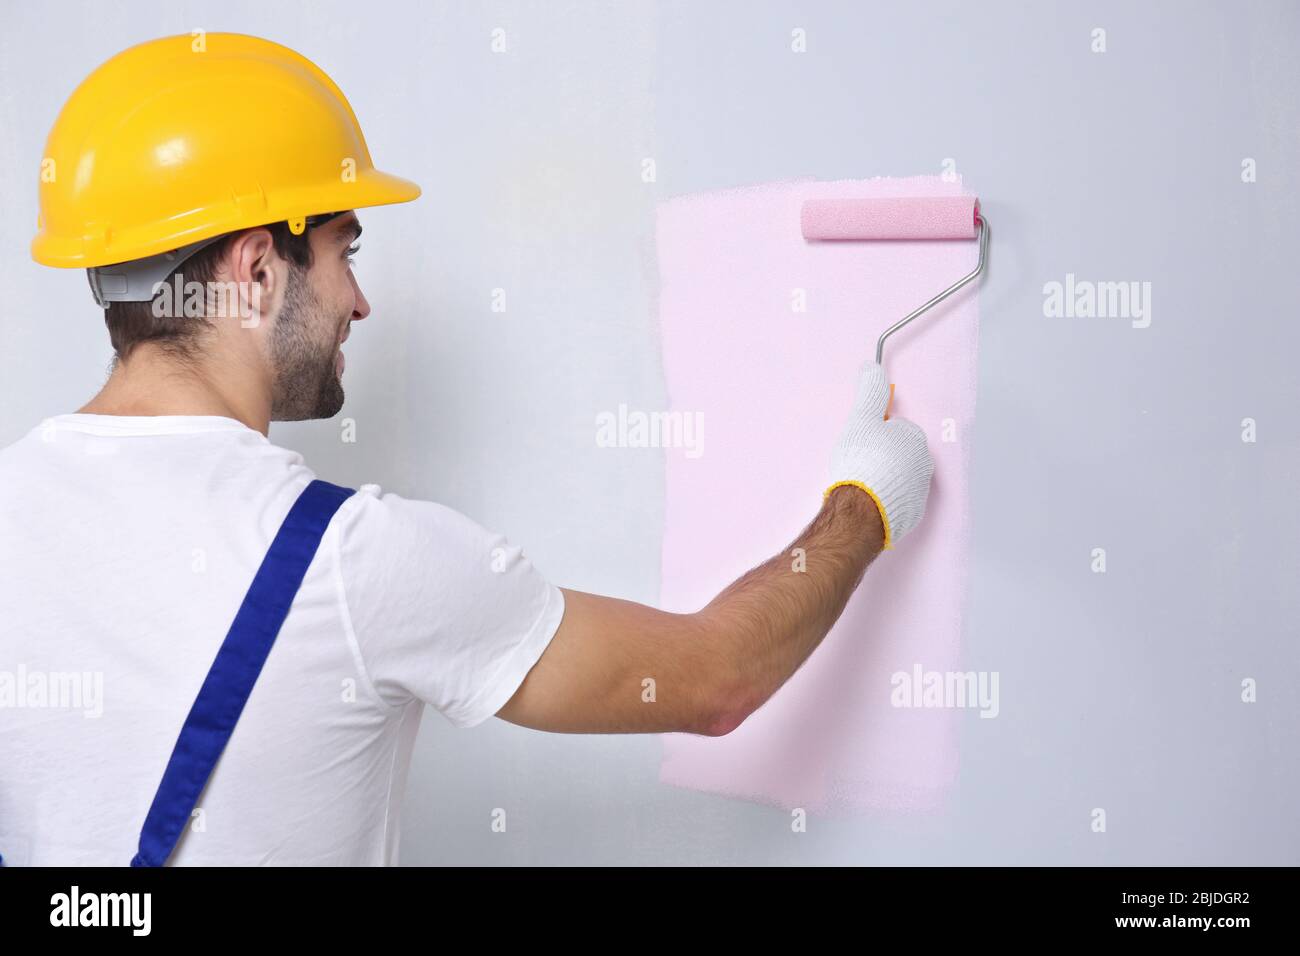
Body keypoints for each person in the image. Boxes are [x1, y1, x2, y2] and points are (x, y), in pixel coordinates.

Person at [0, 33, 933, 865]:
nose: (357, 303)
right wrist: (865, 501)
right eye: (342, 252)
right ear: (255, 268)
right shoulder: (352, 560)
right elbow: (714, 679)